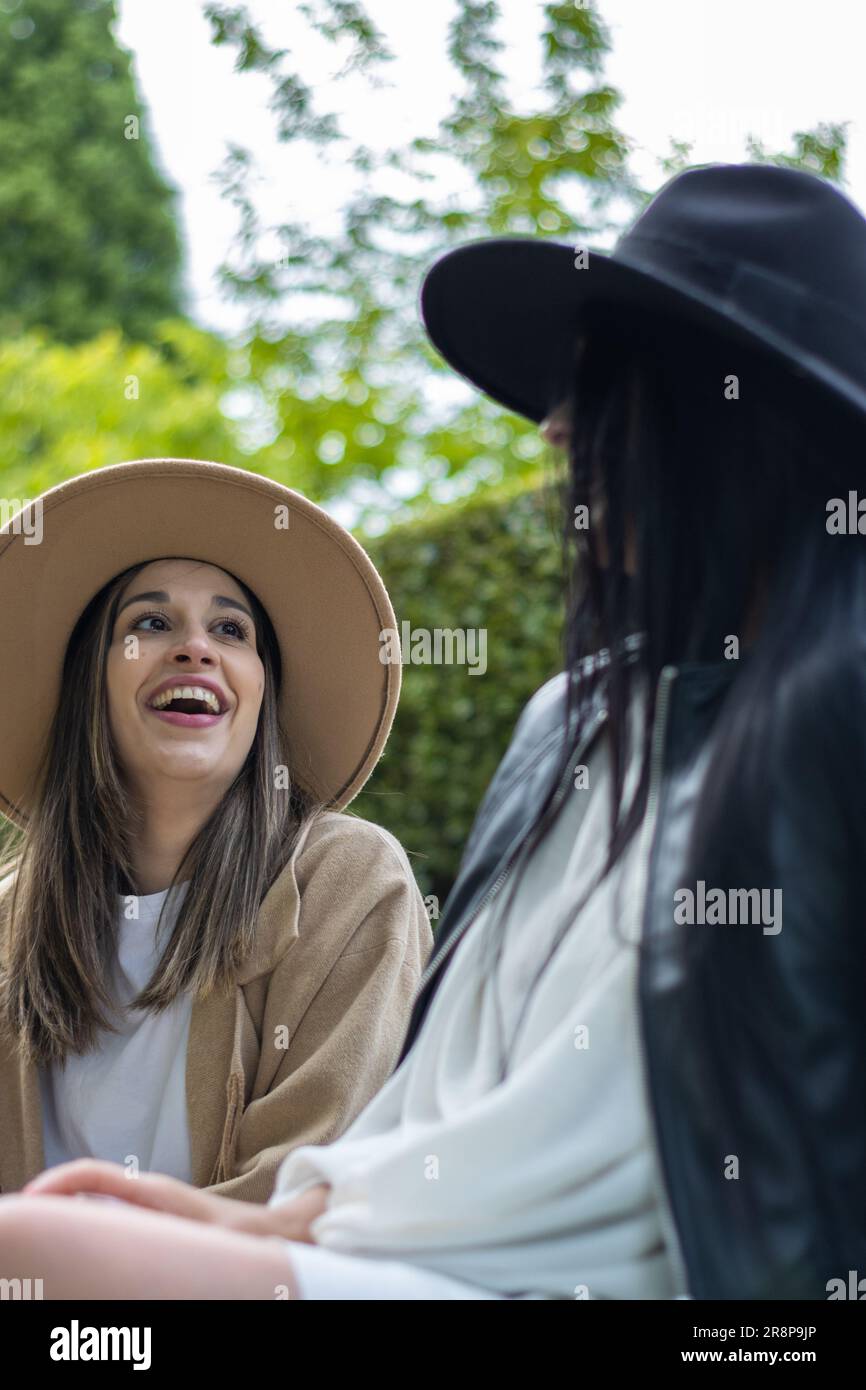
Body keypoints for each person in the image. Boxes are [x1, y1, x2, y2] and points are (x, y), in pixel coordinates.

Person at [3, 160, 866, 1300]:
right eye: (146, 623)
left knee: (37, 1261)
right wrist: (254, 1227)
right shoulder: (570, 730)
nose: (558, 435)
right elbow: (421, 1129)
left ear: (740, 427)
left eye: (603, 398)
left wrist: (232, 1236)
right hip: (389, 1252)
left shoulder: (827, 721)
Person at [0, 458, 432, 1204]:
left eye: (231, 629)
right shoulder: (10, 919)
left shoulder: (347, 882)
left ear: (261, 693)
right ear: (88, 682)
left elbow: (311, 1196)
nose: (195, 647)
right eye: (151, 622)